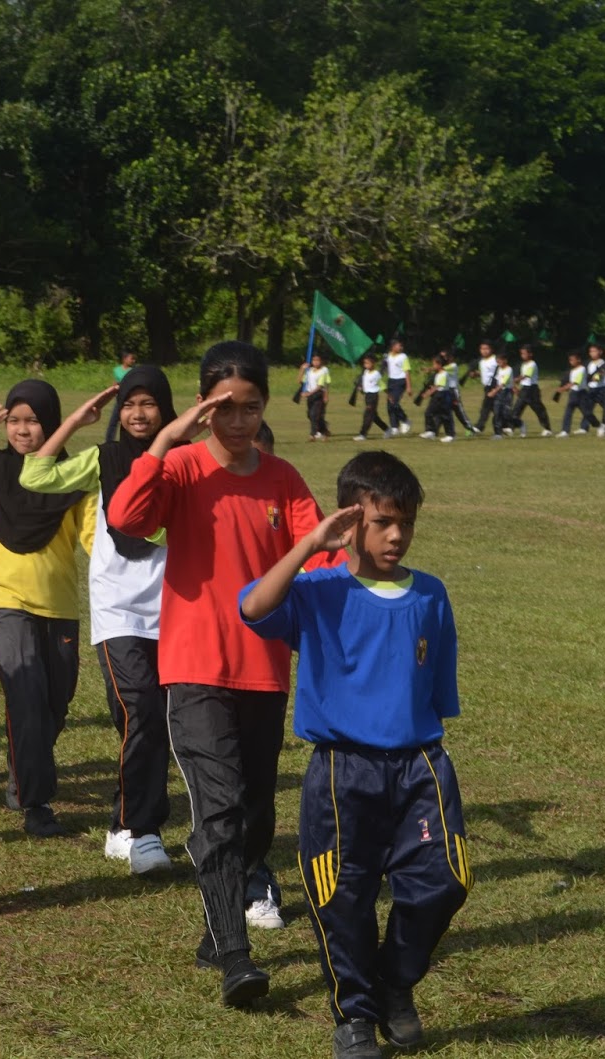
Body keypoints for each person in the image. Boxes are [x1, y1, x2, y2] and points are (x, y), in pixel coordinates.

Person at [107, 341, 346, 1008]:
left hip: (264, 671)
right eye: (225, 408)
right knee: (216, 808)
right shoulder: (180, 467)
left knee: (254, 812)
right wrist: (165, 440)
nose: (238, 422)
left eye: (250, 408)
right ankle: (235, 956)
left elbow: (319, 558)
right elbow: (127, 518)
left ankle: (217, 928)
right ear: (204, 405)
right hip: (194, 667)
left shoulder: (283, 479)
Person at [239, 450, 468, 1059]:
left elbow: (435, 686)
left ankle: (394, 981)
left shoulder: (431, 596)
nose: (397, 535)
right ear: (351, 521)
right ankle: (356, 1018)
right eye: (383, 522)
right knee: (343, 897)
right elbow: (253, 607)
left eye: (407, 523)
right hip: (343, 769)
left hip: (420, 765)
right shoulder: (318, 589)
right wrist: (311, 545)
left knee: (445, 880)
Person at [20, 366, 176, 874]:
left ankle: (122, 821)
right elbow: (35, 475)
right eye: (128, 404)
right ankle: (141, 830)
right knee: (140, 712)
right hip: (119, 608)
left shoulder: (185, 460)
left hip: (176, 608)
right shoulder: (103, 458)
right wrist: (75, 423)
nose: (137, 414)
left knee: (156, 720)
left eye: (149, 403)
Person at [0, 382, 93, 837]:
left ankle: (22, 770)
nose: (23, 430)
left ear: (53, 420)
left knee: (55, 704)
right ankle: (36, 803)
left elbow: (91, 536)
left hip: (61, 604)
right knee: (25, 695)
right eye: (15, 420)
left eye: (33, 420)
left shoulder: (75, 475)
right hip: (6, 603)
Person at [509, 344, 552, 437]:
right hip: (525, 388)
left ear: (530, 354)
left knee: (538, 409)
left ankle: (547, 428)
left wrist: (516, 380)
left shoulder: (532, 364)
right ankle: (511, 428)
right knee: (517, 408)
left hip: (532, 389)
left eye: (524, 353)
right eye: (521, 353)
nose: (522, 355)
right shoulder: (523, 364)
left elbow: (525, 375)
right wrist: (516, 387)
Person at [417, 354, 457, 443]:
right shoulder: (438, 374)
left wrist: (427, 394)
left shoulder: (444, 374)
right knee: (432, 413)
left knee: (444, 415)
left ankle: (450, 435)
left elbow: (437, 387)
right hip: (438, 395)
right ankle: (431, 431)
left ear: (439, 365)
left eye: (434, 364)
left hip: (442, 395)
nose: (433, 366)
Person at [554, 351, 594, 437]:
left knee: (587, 413)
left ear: (578, 360)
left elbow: (576, 382)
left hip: (581, 394)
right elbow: (571, 383)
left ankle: (598, 425)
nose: (571, 362)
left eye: (573, 360)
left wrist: (564, 388)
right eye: (570, 360)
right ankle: (565, 431)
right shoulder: (572, 371)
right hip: (573, 394)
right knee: (568, 412)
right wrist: (566, 388)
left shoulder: (582, 369)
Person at [350, 353, 384, 441]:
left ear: (373, 363)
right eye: (365, 363)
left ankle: (363, 434)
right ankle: (387, 429)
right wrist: (360, 387)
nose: (366, 365)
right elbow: (365, 384)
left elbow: (381, 384)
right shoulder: (365, 372)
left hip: (373, 395)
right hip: (367, 395)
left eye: (368, 363)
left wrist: (389, 394)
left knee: (367, 415)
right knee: (374, 416)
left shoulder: (376, 373)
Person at [382, 339, 412, 436]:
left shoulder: (403, 357)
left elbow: (407, 371)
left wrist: (408, 386)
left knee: (394, 402)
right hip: (391, 381)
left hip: (400, 381)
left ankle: (405, 420)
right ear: (393, 346)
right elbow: (384, 368)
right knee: (389, 405)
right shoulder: (388, 356)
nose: (401, 347)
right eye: (399, 345)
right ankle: (394, 427)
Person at [300, 353, 331, 440]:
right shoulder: (309, 371)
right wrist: (302, 369)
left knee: (314, 415)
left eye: (318, 360)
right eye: (314, 360)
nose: (315, 362)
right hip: (310, 395)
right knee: (310, 415)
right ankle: (324, 430)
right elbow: (300, 381)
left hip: (319, 395)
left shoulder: (324, 371)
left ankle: (313, 434)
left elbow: (322, 385)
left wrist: (326, 395)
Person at [487, 351, 515, 438]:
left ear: (505, 360)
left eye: (499, 361)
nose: (498, 363)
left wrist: (493, 392)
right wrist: (493, 389)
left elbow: (503, 383)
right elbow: (497, 381)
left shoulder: (509, 369)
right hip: (499, 392)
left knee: (505, 412)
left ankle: (510, 426)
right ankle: (497, 433)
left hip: (507, 392)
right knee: (497, 412)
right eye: (497, 361)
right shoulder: (499, 369)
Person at [472, 341, 499, 434]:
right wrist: (476, 374)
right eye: (482, 349)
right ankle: (507, 425)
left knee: (486, 407)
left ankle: (479, 426)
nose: (484, 351)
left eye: (486, 349)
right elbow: (486, 373)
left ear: (491, 349)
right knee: (494, 408)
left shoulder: (495, 359)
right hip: (486, 387)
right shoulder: (482, 361)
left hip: (496, 386)